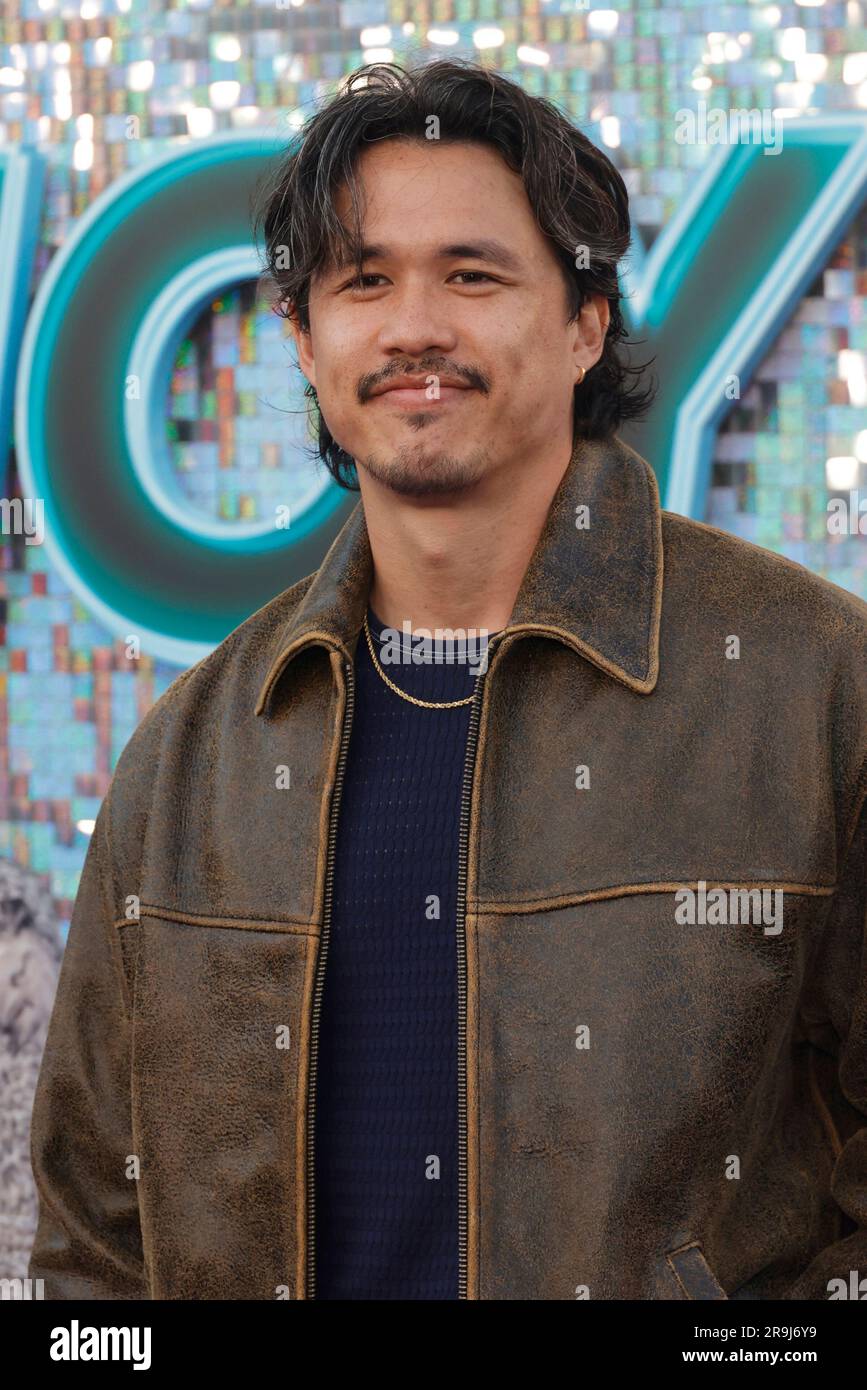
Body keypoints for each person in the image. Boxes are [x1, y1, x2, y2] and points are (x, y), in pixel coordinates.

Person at [29, 59, 867, 1301]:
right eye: (363, 281)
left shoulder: (812, 686)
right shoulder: (191, 754)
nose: (415, 326)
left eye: (472, 274)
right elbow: (95, 1250)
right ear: (308, 341)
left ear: (585, 323)